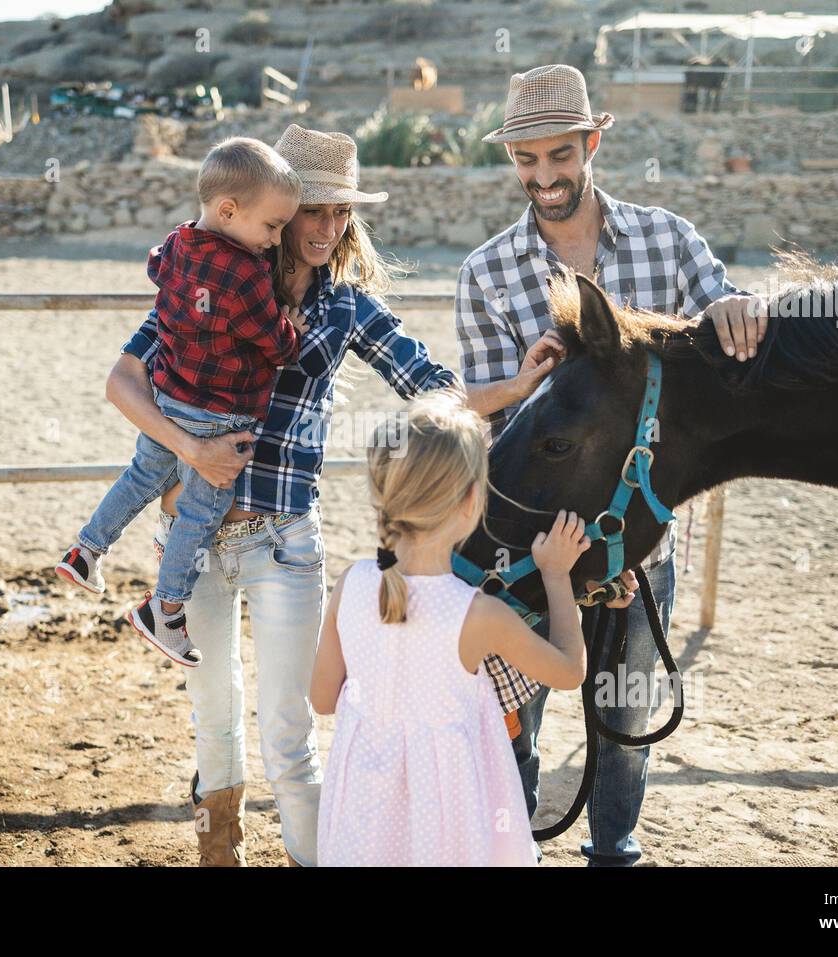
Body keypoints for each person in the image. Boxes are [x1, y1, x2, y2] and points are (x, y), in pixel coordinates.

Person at [111, 125, 461, 866]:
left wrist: (522, 390)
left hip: (284, 541)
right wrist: (192, 450)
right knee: (212, 719)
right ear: (282, 205)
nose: (330, 228)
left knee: (289, 732)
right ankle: (220, 849)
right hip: (191, 538)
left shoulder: (347, 307)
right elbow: (123, 381)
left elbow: (432, 387)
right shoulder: (207, 282)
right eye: (316, 210)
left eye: (343, 214)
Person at [455, 64, 767, 866]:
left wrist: (734, 306)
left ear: (592, 143)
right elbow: (479, 412)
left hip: (635, 533)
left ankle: (614, 851)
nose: (543, 176)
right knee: (512, 711)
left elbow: (724, 318)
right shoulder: (485, 272)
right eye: (526, 160)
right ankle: (507, 848)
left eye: (559, 154)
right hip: (528, 540)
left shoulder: (669, 239)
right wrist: (523, 385)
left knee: (625, 713)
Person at [55, 137, 308, 667]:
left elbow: (157, 272)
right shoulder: (246, 274)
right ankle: (164, 610)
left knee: (140, 477)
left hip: (168, 397)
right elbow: (276, 344)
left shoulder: (175, 243)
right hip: (221, 415)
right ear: (229, 210)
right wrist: (293, 330)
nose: (276, 239)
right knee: (199, 512)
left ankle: (86, 550)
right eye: (272, 226)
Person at [311, 391, 592, 866]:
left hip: (365, 811)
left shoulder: (351, 585)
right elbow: (568, 670)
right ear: (470, 500)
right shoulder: (475, 613)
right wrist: (557, 575)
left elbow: (321, 699)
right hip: (450, 818)